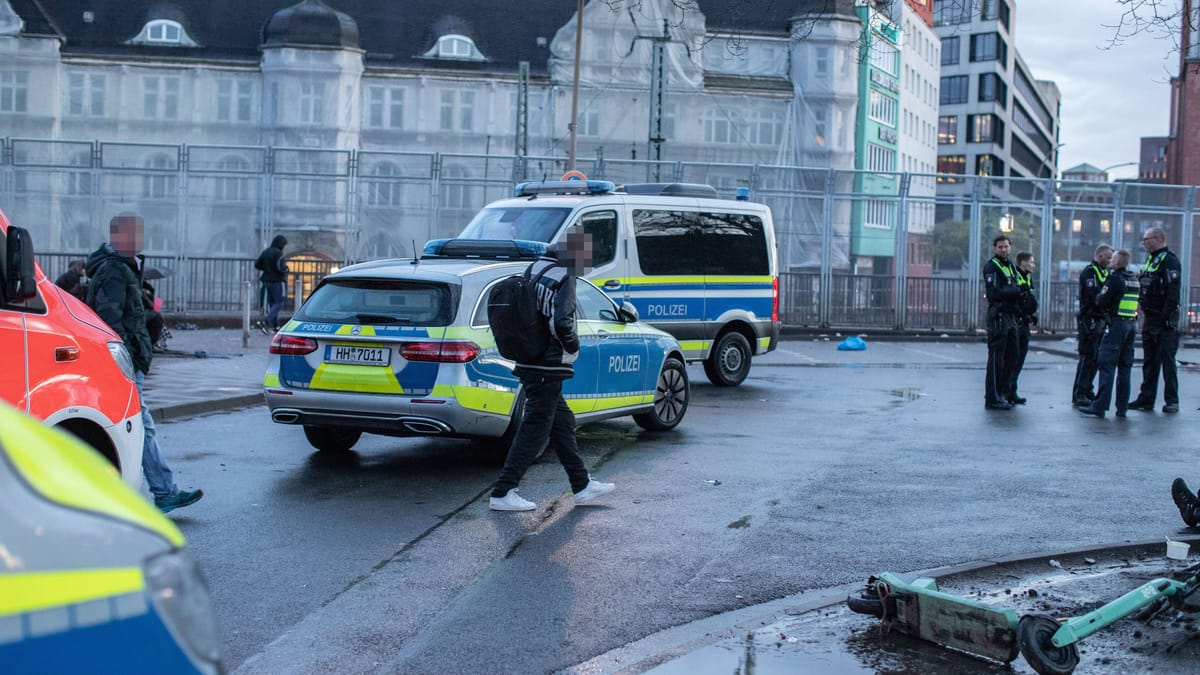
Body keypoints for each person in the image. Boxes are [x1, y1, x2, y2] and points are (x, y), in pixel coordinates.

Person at [489, 228, 615, 511]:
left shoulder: (536, 268)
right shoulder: (564, 277)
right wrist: (573, 347)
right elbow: (561, 322)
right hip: (547, 361)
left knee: (561, 421)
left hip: (527, 354)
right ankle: (503, 492)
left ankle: (581, 485)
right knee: (535, 425)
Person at [86, 213, 203, 513]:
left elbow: (125, 314)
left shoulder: (121, 267)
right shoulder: (114, 269)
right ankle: (160, 492)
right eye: (132, 234)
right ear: (118, 237)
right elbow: (109, 318)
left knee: (137, 425)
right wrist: (132, 351)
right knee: (139, 424)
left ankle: (161, 491)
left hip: (125, 359)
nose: (139, 239)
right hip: (122, 361)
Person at [1078, 249, 1139, 419]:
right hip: (1131, 325)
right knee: (1125, 368)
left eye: (1114, 258)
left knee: (1107, 365)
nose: (1111, 260)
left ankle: (1100, 405)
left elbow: (1100, 300)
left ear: (1118, 262)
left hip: (1116, 326)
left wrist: (1101, 298)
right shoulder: (1134, 279)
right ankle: (1122, 407)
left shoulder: (1114, 279)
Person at [1128, 227, 1182, 413]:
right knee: (1149, 362)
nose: (1144, 243)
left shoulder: (1170, 261)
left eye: (1147, 239)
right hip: (1150, 318)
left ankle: (1172, 401)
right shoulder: (1152, 260)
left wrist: (1165, 317)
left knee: (1167, 362)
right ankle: (1146, 399)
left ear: (1158, 239)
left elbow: (1172, 293)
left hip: (1163, 320)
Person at [982, 235, 1021, 410]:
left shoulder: (1011, 265)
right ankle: (992, 397)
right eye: (1000, 247)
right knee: (996, 357)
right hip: (998, 315)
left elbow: (1017, 288)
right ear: (994, 248)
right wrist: (1013, 291)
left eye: (1006, 246)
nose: (1003, 249)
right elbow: (994, 292)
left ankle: (1003, 393)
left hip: (1010, 316)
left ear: (1010, 247)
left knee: (1013, 355)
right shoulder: (992, 266)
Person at [1071, 245, 1113, 407]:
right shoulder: (1090, 272)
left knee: (1095, 358)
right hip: (1089, 319)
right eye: (1108, 257)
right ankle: (1079, 393)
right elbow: (1093, 296)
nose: (1110, 261)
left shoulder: (1105, 273)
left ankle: (1088, 389)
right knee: (1087, 357)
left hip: (1100, 319)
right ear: (1100, 255)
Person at [1008, 251, 1038, 405]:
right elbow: (1017, 299)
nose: (1033, 265)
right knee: (1013, 358)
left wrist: (1031, 315)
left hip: (1024, 323)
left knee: (1020, 358)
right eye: (1031, 262)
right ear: (1023, 263)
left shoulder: (1027, 277)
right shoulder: (1016, 276)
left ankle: (1012, 391)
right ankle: (1007, 391)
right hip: (1017, 322)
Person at [254, 235, 289, 334]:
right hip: (278, 281)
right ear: (281, 244)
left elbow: (257, 264)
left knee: (272, 304)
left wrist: (267, 270)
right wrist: (286, 269)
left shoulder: (266, 252)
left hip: (267, 281)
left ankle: (276, 326)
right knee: (279, 303)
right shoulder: (278, 253)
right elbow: (280, 267)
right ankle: (265, 321)